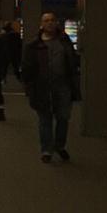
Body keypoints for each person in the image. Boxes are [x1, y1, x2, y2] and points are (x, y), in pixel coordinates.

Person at [22, 10, 81, 163]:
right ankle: (46, 150)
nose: (50, 23)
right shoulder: (34, 45)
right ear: (41, 24)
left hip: (63, 85)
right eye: (46, 20)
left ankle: (59, 145)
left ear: (56, 23)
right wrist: (29, 87)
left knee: (63, 118)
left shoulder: (64, 41)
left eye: (52, 20)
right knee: (45, 118)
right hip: (42, 86)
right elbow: (28, 68)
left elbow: (72, 62)